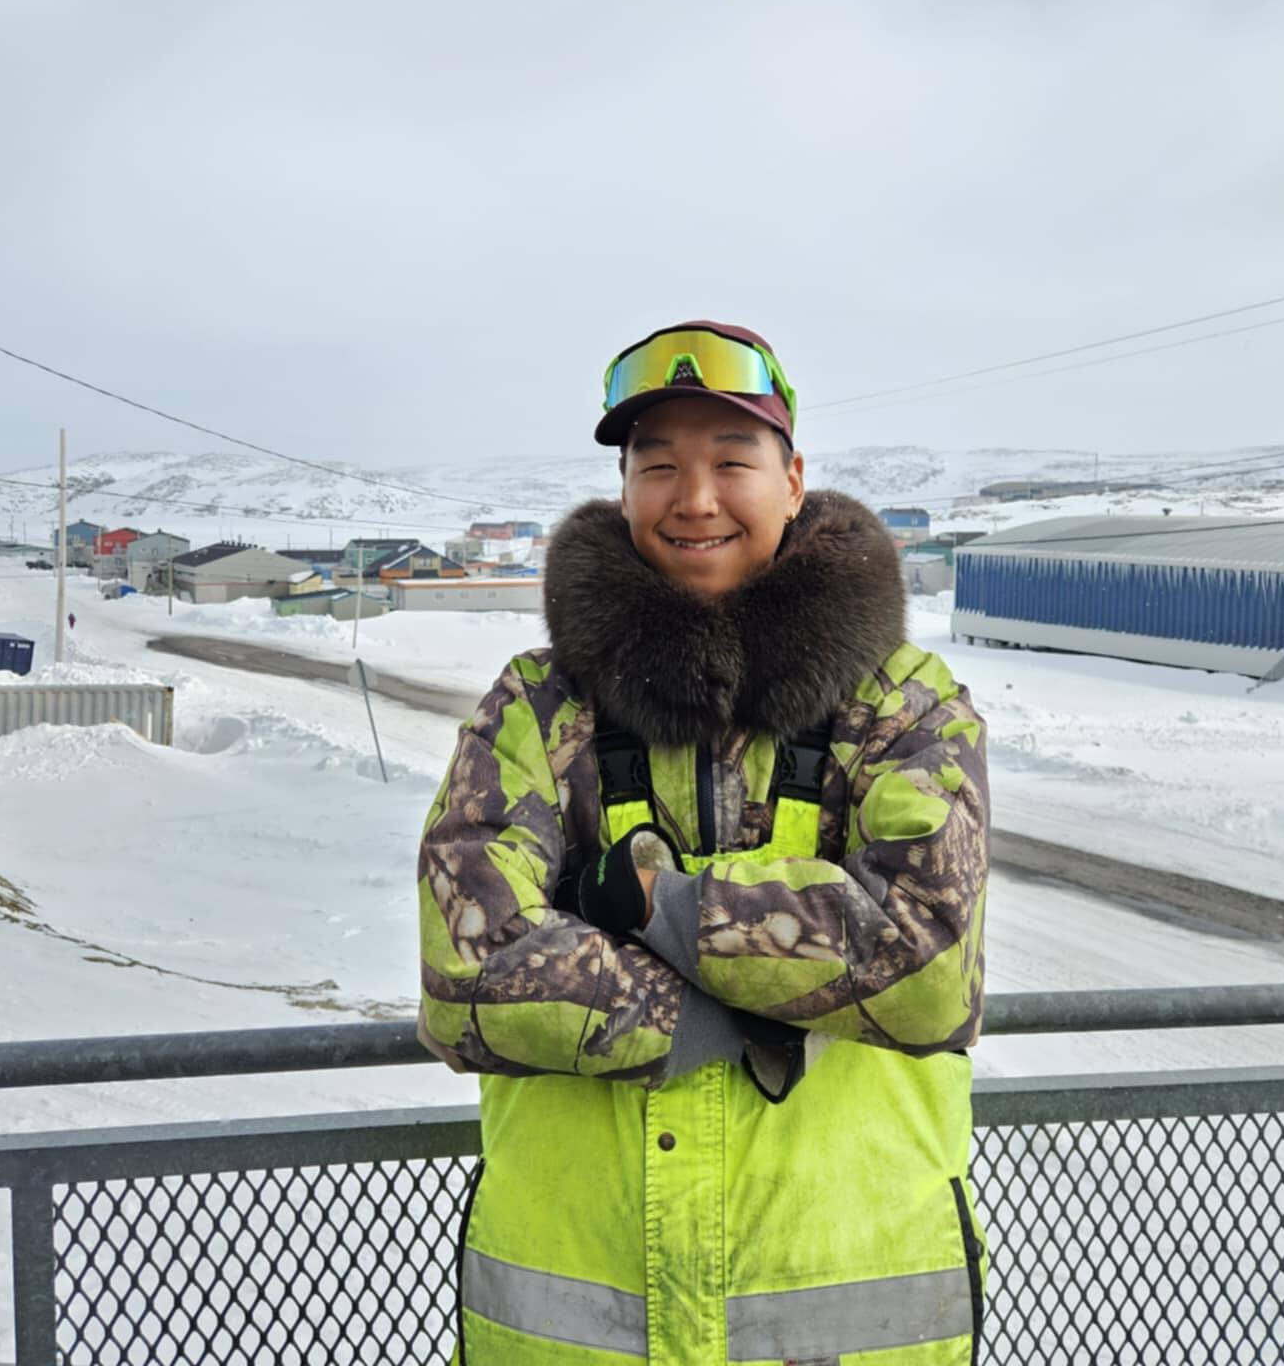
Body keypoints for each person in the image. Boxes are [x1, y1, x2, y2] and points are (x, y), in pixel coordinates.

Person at [417, 321, 991, 1365]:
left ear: (792, 481)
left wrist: (650, 906)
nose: (694, 498)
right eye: (658, 465)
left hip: (853, 1321)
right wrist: (745, 1009)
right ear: (624, 488)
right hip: (573, 1336)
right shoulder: (537, 707)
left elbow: (927, 971)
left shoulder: (902, 703)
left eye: (732, 461)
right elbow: (467, 977)